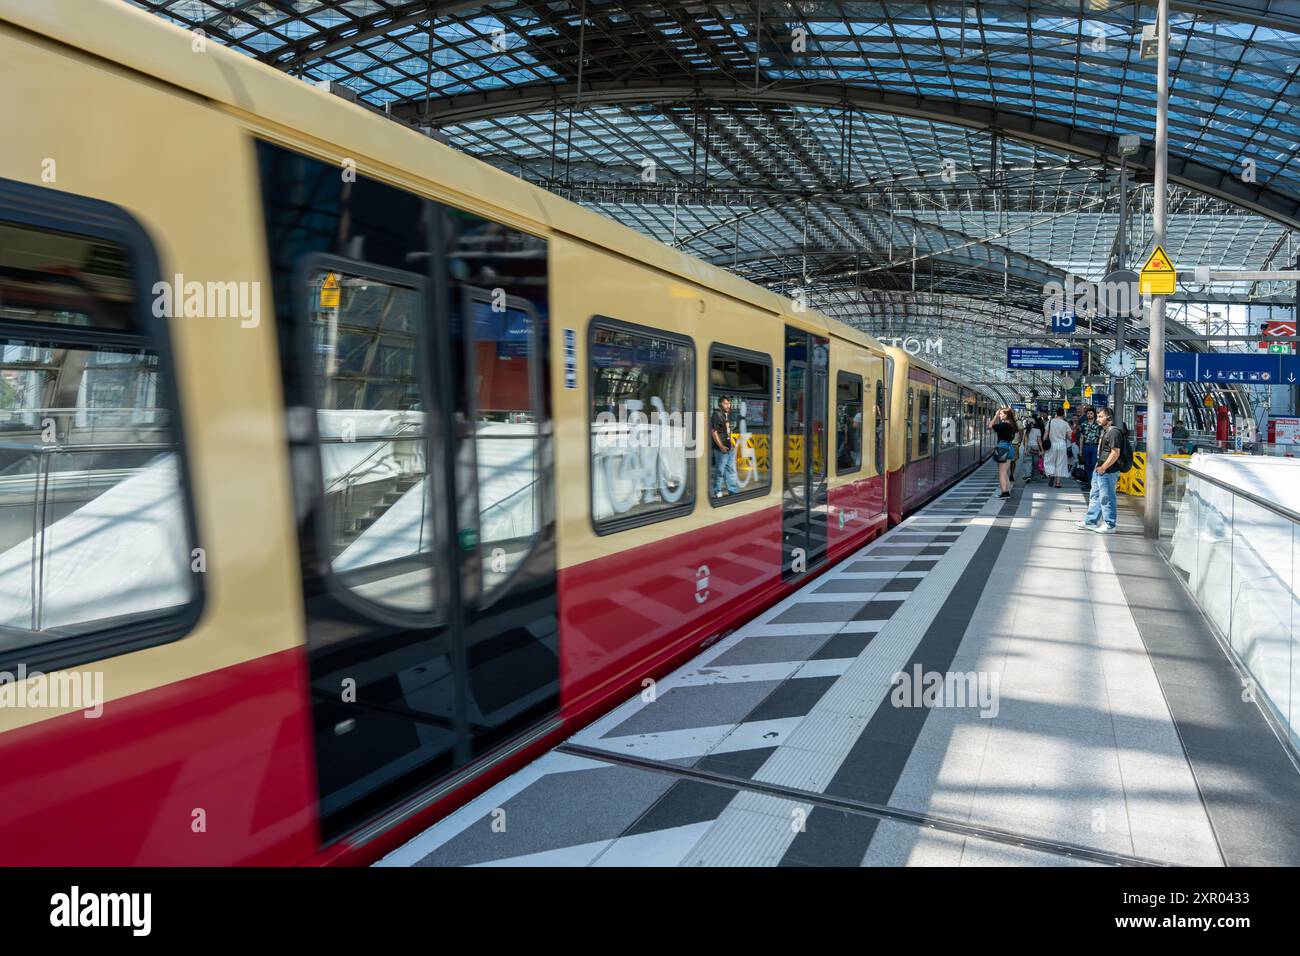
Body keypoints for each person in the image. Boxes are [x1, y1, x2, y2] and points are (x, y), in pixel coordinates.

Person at [1077, 406, 1123, 533]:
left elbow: (1115, 453)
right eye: (1098, 416)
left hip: (1107, 470)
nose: (1098, 419)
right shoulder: (1105, 430)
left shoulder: (1114, 432)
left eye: (1100, 416)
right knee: (1095, 495)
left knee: (1106, 497)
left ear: (1109, 417)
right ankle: (1091, 521)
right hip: (1100, 468)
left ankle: (1110, 524)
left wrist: (1104, 467)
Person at [710, 396, 740, 498]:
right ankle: (717, 491)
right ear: (720, 404)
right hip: (721, 449)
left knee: (730, 470)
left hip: (729, 447)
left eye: (729, 403)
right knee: (720, 471)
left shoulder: (726, 415)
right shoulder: (717, 414)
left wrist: (731, 443)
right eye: (725, 403)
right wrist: (721, 446)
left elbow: (727, 431)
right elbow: (714, 432)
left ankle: (733, 491)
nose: (728, 405)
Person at [989, 406, 1018, 497]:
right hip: (1010, 447)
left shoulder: (1004, 425)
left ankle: (1004, 492)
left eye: (1001, 414)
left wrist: (995, 416)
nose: (1000, 415)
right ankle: (1007, 491)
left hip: (1002, 447)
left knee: (1001, 472)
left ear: (1006, 415)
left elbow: (990, 426)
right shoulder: (1012, 425)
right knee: (1005, 472)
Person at [1043, 407, 1071, 488]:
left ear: (1056, 413)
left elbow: (1046, 433)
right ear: (1063, 414)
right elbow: (1069, 436)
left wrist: (1044, 444)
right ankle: (1058, 483)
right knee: (1060, 463)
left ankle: (1051, 475)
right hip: (1062, 445)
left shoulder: (1050, 422)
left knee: (1050, 461)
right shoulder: (1065, 423)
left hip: (1052, 444)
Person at [1079, 407, 1102, 484]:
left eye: (1091, 413)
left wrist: (1100, 448)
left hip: (1095, 446)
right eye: (1088, 414)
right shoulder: (1083, 424)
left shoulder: (1098, 425)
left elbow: (1100, 437)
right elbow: (1081, 437)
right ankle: (1089, 481)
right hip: (1086, 446)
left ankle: (1094, 481)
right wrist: (1080, 450)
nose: (1089, 415)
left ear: (1094, 415)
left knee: (1094, 464)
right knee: (1087, 464)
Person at [1021, 414, 1042, 483]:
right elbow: (1039, 441)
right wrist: (1041, 449)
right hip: (1036, 448)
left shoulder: (1026, 431)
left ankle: (1028, 476)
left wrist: (1025, 449)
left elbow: (1026, 441)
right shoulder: (1038, 430)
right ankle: (1034, 478)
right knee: (1035, 463)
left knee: (1028, 462)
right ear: (1034, 423)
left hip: (1029, 448)